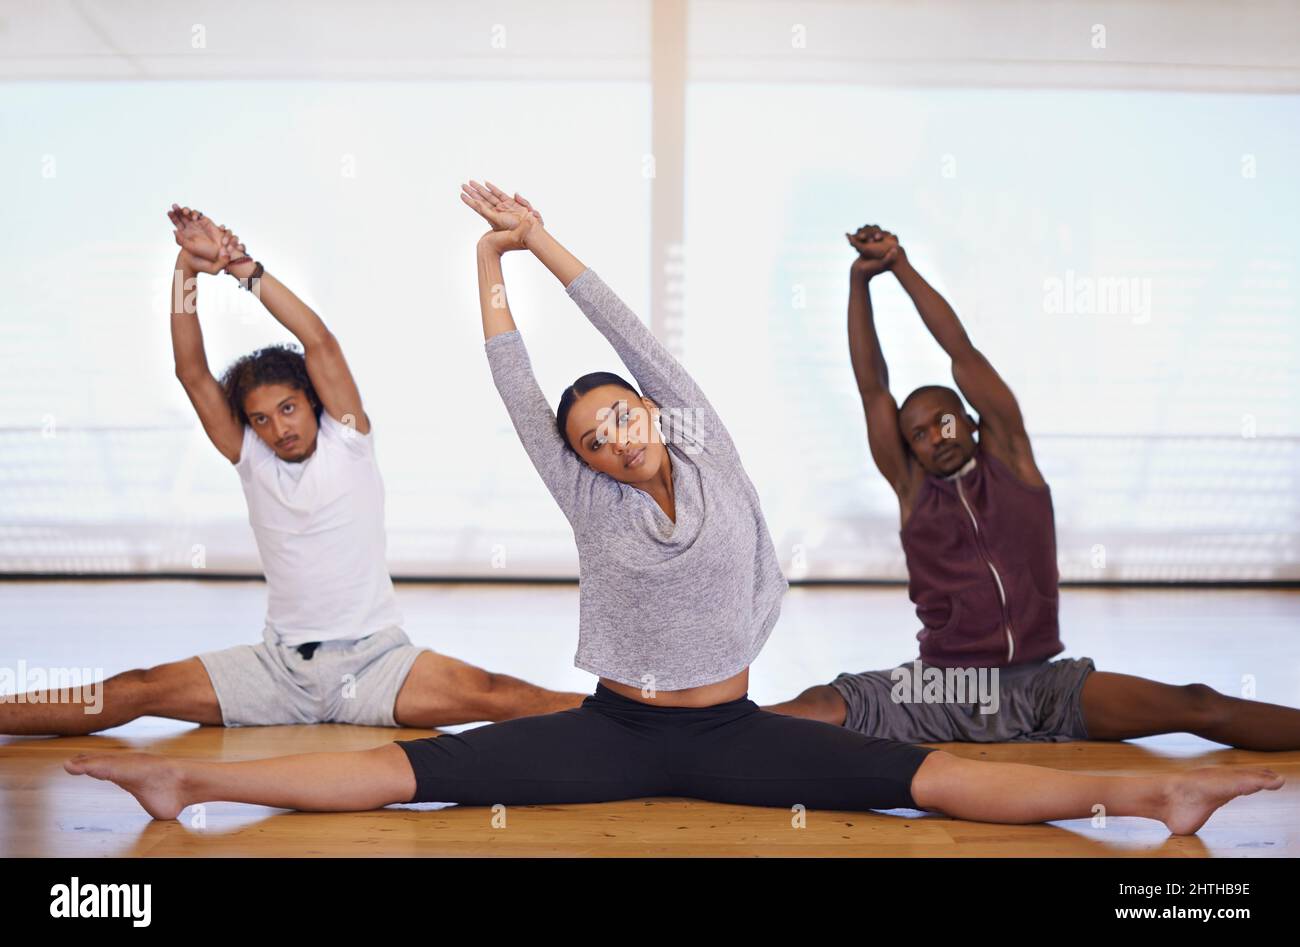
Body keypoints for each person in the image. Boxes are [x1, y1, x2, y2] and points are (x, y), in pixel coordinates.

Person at [62, 188, 1283, 836]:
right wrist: (487, 273)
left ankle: (1151, 797)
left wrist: (541, 242)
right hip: (610, 730)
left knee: (933, 779)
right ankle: (192, 797)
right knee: (405, 773)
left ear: (657, 413)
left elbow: (625, 344)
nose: (607, 433)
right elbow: (515, 379)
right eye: (589, 435)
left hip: (730, 733)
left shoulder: (704, 446)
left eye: (620, 417)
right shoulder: (591, 501)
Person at [1, 204, 583, 736]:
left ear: (310, 401)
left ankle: (648, 724)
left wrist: (245, 271)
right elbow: (191, 373)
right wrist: (185, 268)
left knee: (501, 694)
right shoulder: (251, 457)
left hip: (377, 663)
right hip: (277, 668)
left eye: (287, 409)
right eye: (260, 418)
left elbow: (318, 339)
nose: (279, 428)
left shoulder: (348, 440)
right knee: (137, 688)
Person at [765, 225, 1300, 752]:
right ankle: (693, 743)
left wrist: (899, 266)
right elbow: (871, 386)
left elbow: (961, 350)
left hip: (1039, 684)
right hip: (942, 686)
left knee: (1196, 702)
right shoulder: (913, 490)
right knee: (819, 705)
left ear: (972, 421)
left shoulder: (1013, 462)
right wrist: (860, 283)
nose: (934, 438)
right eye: (919, 435)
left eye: (944, 422)